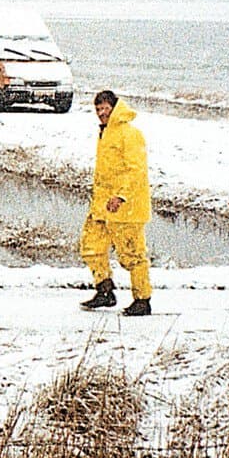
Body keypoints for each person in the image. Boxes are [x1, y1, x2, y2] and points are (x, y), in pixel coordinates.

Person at [79, 89, 153, 316]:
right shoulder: (105, 133)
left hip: (126, 207)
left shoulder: (129, 133)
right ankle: (104, 290)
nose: (101, 113)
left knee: (132, 254)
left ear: (114, 108)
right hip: (102, 205)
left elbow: (136, 170)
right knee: (91, 247)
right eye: (98, 109)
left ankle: (142, 300)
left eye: (105, 109)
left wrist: (120, 196)